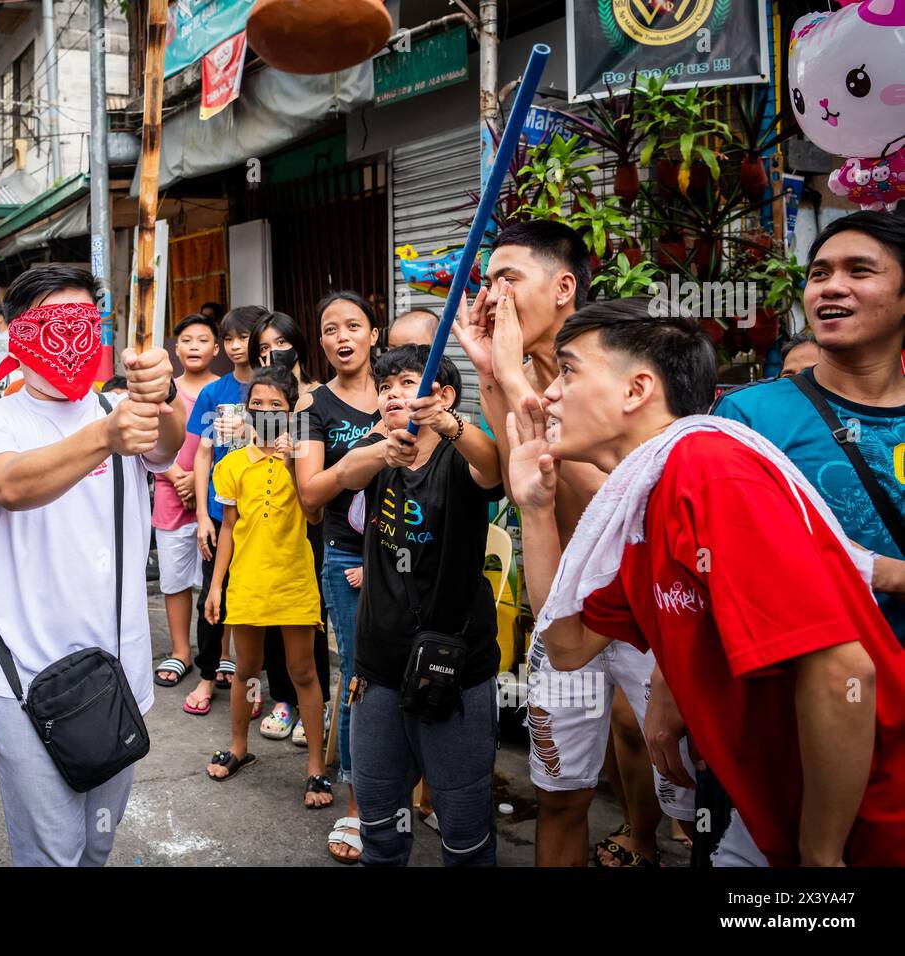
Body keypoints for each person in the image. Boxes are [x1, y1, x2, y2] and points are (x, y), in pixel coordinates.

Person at [511, 296, 905, 866]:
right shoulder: (643, 505)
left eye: (567, 370)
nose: (547, 393)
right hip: (770, 818)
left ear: (635, 389)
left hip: (865, 830)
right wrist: (535, 507)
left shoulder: (707, 471)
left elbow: (843, 670)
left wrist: (821, 856)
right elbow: (567, 644)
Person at [455, 220, 692, 867]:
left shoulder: (611, 366)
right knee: (559, 794)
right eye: (489, 279)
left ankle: (646, 841)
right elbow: (523, 478)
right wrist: (494, 379)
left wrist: (509, 374)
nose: (493, 295)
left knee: (668, 766)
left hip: (645, 600)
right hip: (563, 598)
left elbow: (614, 490)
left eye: (509, 278)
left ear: (564, 287)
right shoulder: (513, 371)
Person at [0, 264, 184, 867]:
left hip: (117, 674)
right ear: (16, 332)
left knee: (96, 845)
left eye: (85, 322)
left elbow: (166, 442)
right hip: (26, 674)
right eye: (54, 322)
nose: (72, 338)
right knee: (52, 854)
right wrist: (104, 436)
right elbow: (10, 484)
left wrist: (162, 393)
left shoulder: (120, 406)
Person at [329, 345, 503, 865]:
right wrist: (380, 451)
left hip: (455, 668)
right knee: (380, 827)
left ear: (443, 395)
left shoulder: (460, 456)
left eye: (407, 382)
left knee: (465, 834)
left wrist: (451, 426)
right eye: (384, 387)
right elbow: (332, 482)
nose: (392, 395)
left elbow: (494, 470)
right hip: (378, 666)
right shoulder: (380, 450)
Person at [715, 212, 905, 645]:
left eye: (859, 270)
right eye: (819, 273)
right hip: (814, 695)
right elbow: (729, 569)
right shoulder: (748, 419)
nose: (831, 286)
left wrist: (887, 573)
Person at [202, 364, 332, 809]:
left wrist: (294, 460)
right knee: (244, 671)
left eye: (275, 404)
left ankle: (316, 768)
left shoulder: (305, 459)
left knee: (304, 673)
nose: (264, 410)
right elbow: (228, 532)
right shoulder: (232, 463)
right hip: (248, 582)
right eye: (256, 404)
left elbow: (315, 516)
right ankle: (239, 747)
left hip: (294, 579)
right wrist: (216, 587)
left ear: (292, 410)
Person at [292, 291, 381, 862]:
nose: (342, 336)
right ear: (321, 342)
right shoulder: (311, 408)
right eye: (329, 329)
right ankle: (356, 805)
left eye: (353, 325)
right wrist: (357, 463)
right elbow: (309, 495)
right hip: (347, 558)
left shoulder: (404, 389)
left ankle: (408, 790)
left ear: (376, 333)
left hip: (408, 553)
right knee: (358, 678)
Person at [247, 310, 331, 745]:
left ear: (297, 343)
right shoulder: (261, 396)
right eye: (263, 348)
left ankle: (316, 701)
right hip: (270, 521)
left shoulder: (319, 397)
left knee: (308, 615)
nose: (272, 353)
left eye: (280, 343)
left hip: (314, 517)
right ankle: (282, 697)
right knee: (272, 611)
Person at [184, 306, 265, 716]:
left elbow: (290, 445)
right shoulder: (214, 393)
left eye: (243, 337)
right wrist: (201, 515)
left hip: (264, 517)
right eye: (229, 339)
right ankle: (206, 674)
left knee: (253, 603)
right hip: (220, 513)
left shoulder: (278, 388)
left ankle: (252, 683)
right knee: (210, 600)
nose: (235, 347)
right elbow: (202, 455)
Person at [152, 313, 220, 688]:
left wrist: (199, 483)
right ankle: (180, 652)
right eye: (187, 340)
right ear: (175, 349)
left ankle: (221, 654)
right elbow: (145, 442)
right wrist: (176, 477)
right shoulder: (163, 389)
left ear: (217, 347)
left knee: (217, 579)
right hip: (170, 496)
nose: (194, 347)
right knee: (175, 579)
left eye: (202, 340)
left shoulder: (225, 390)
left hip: (211, 499)